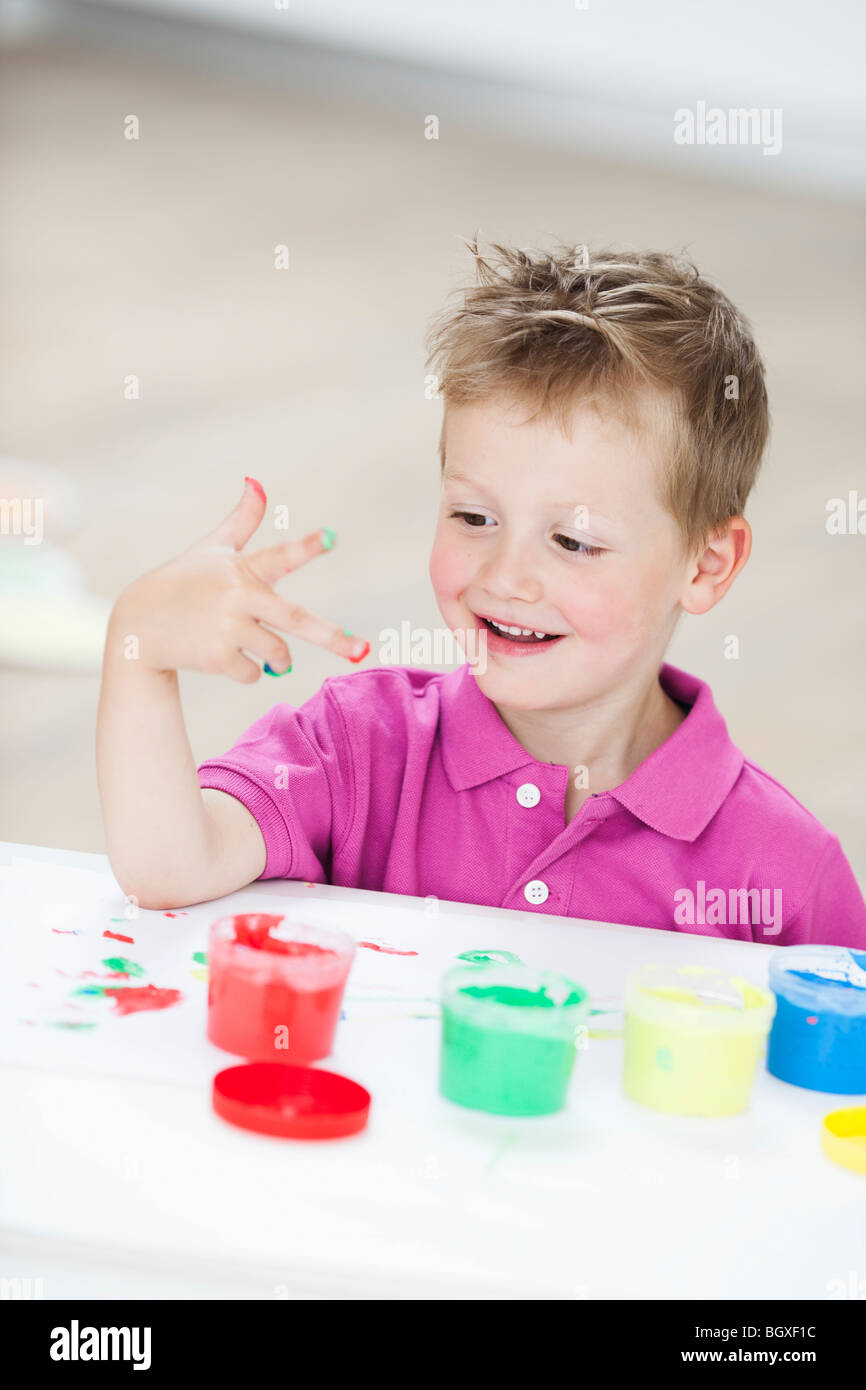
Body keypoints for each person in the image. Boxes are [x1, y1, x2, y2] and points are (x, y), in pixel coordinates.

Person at [96, 242, 866, 946]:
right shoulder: (362, 747)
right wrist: (139, 648)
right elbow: (170, 867)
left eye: (574, 542)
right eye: (474, 517)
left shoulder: (782, 872)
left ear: (705, 566)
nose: (504, 577)